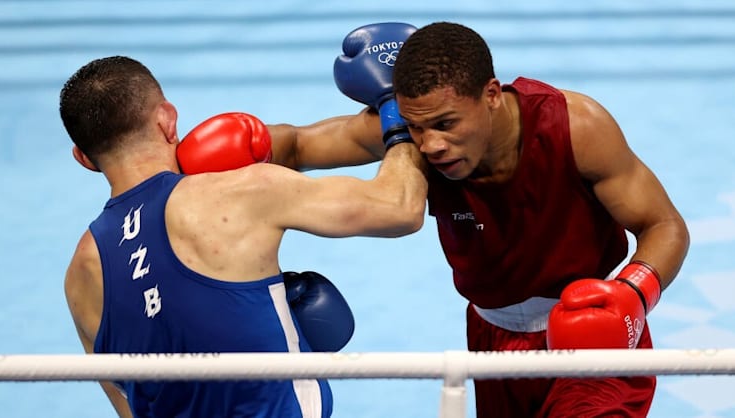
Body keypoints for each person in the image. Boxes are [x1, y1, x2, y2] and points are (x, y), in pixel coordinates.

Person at [264, 22, 691, 417]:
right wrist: (225, 150)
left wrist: (631, 295)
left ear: (490, 94)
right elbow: (299, 146)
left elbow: (663, 224)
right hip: (493, 339)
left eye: (446, 124)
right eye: (416, 127)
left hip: (596, 339)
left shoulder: (576, 127)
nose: (431, 145)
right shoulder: (413, 134)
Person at [60, 55, 427, 418]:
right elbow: (400, 208)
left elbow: (130, 406)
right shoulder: (237, 192)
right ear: (167, 120)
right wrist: (397, 115)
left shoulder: (80, 274)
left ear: (83, 158)